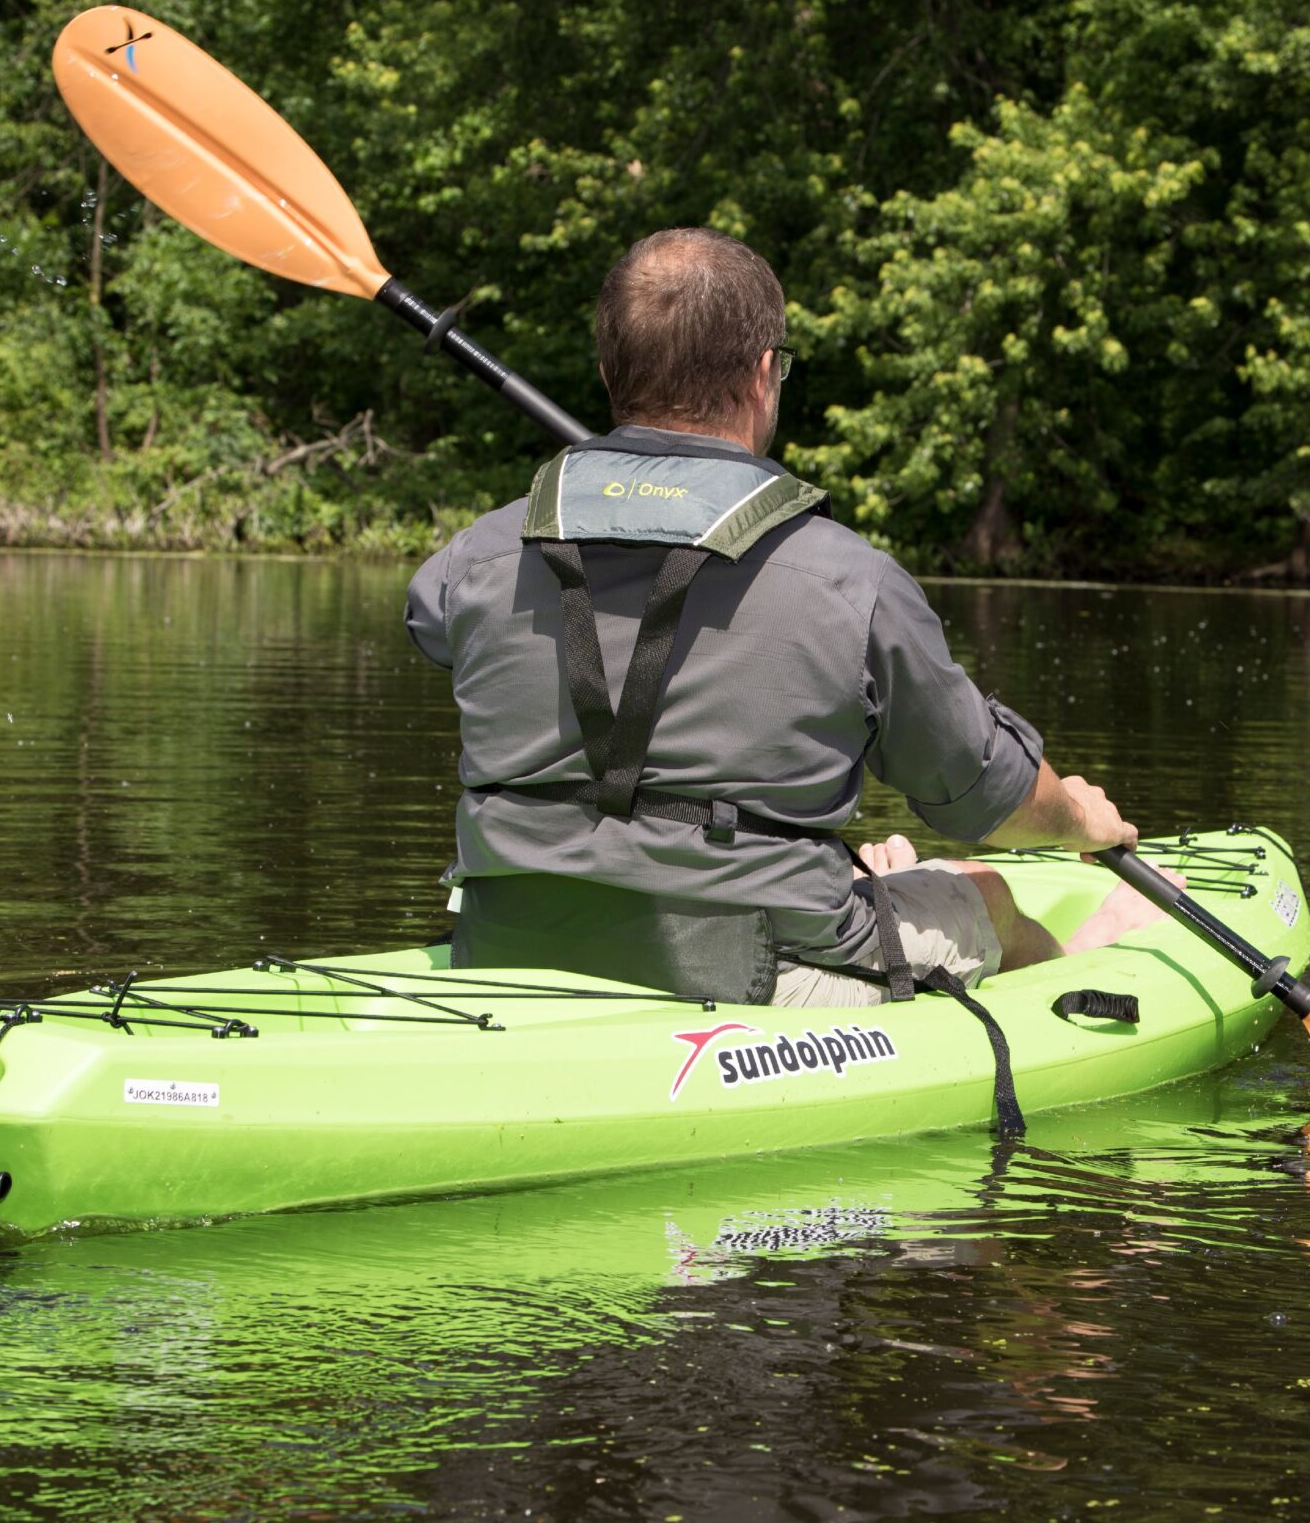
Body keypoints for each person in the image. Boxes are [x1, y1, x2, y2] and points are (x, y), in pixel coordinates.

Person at [404, 227, 1173, 1006]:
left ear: (609, 371)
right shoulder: (848, 578)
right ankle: (1091, 952)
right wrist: (1081, 818)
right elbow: (987, 796)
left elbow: (431, 619)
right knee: (991, 898)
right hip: (768, 974)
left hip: (508, 951)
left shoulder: (482, 552)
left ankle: (879, 884)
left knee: (895, 877)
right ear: (765, 373)